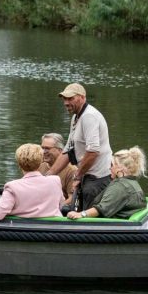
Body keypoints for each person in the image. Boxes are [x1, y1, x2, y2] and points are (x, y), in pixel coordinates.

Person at [45, 83, 112, 211]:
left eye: (70, 98)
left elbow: (93, 151)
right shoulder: (76, 116)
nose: (66, 102)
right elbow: (67, 150)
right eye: (64, 99)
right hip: (87, 177)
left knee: (87, 218)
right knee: (78, 213)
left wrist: (78, 176)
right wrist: (49, 175)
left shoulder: (89, 116)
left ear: (82, 97)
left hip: (97, 180)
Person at [67, 146, 147, 220]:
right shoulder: (133, 183)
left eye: (112, 165)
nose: (110, 168)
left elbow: (101, 209)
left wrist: (81, 214)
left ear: (120, 168)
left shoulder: (120, 187)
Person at [0, 143, 64, 220]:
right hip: (55, 226)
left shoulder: (12, 187)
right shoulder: (55, 181)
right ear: (40, 163)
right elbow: (60, 205)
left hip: (24, 226)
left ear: (19, 164)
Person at [39, 132, 77, 206]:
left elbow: (72, 199)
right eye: (42, 148)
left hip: (59, 209)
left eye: (47, 148)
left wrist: (52, 207)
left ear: (60, 150)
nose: (43, 152)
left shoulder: (72, 170)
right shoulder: (39, 166)